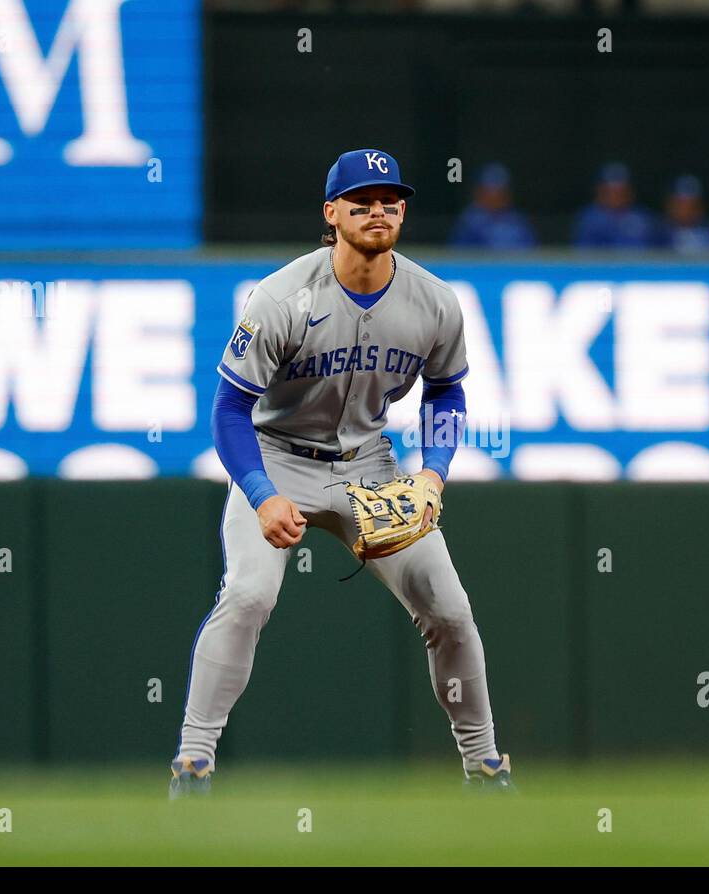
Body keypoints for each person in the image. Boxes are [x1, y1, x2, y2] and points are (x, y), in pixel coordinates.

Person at [171, 148, 513, 796]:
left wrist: (433, 474)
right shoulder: (280, 298)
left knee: (451, 609)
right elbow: (229, 410)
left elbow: (447, 392)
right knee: (248, 595)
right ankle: (193, 762)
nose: (378, 210)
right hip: (277, 458)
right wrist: (261, 494)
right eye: (362, 201)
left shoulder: (435, 302)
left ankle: (486, 766)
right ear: (332, 214)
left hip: (372, 468)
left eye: (390, 200)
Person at [449, 163, 536, 249]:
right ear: (479, 192)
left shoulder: (517, 221)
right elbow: (459, 254)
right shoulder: (469, 221)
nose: (494, 195)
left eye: (500, 191)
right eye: (489, 190)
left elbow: (532, 251)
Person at [572, 162, 657, 249]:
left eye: (621, 191)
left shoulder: (643, 218)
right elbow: (583, 254)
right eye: (610, 191)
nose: (615, 195)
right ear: (599, 191)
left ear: (630, 192)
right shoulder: (588, 219)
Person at [661, 174, 709, 255]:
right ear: (669, 206)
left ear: (701, 208)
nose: (686, 211)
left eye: (692, 206)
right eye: (680, 205)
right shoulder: (657, 234)